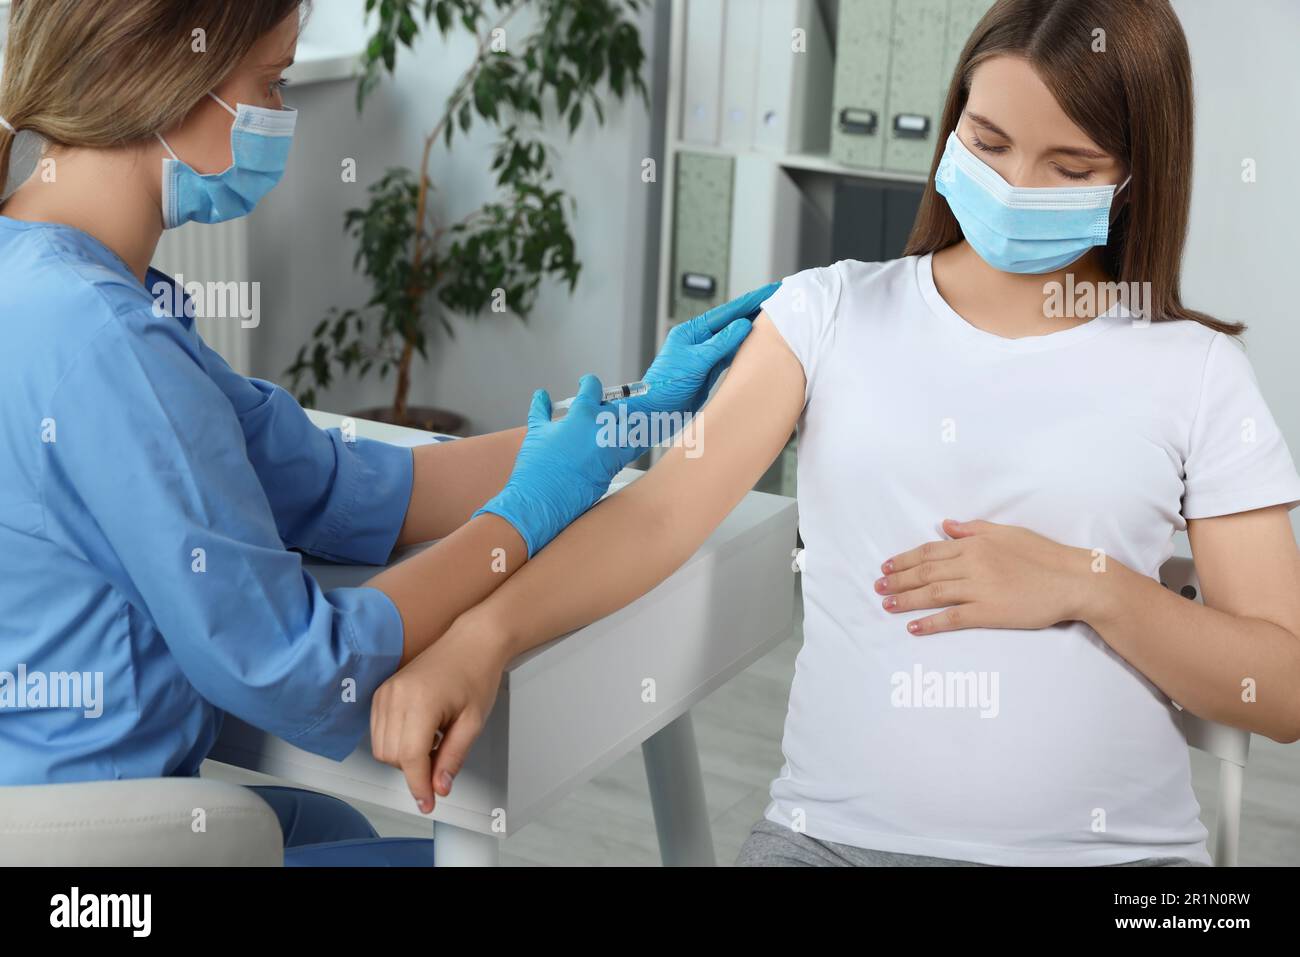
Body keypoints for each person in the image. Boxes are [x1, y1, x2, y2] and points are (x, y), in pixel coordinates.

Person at [372, 0, 1300, 866]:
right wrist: (479, 636)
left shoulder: (1194, 369)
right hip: (832, 846)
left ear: (1135, 176)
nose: (1017, 185)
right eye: (989, 141)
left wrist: (1087, 585)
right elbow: (657, 517)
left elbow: (1284, 685)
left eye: (1070, 169)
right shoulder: (828, 313)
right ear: (952, 127)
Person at [0, 0, 762, 865]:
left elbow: (326, 482)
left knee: (335, 831)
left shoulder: (64, 285)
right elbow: (304, 668)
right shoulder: (111, 345)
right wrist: (516, 525)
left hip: (61, 806)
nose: (282, 116)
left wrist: (631, 415)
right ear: (169, 81)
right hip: (90, 867)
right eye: (272, 84)